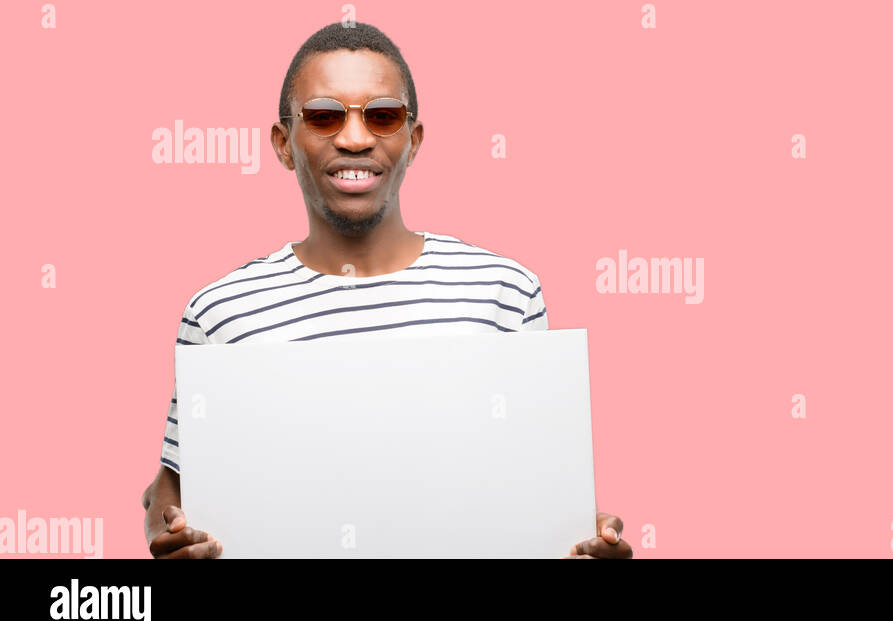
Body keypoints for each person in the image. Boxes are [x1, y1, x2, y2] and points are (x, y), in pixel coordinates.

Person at [140, 22, 632, 559]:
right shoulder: (220, 312)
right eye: (324, 116)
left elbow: (538, 482)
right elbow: (172, 488)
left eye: (383, 115)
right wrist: (167, 537)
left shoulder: (504, 291)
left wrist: (578, 532)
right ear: (283, 144)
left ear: (413, 139)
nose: (355, 138)